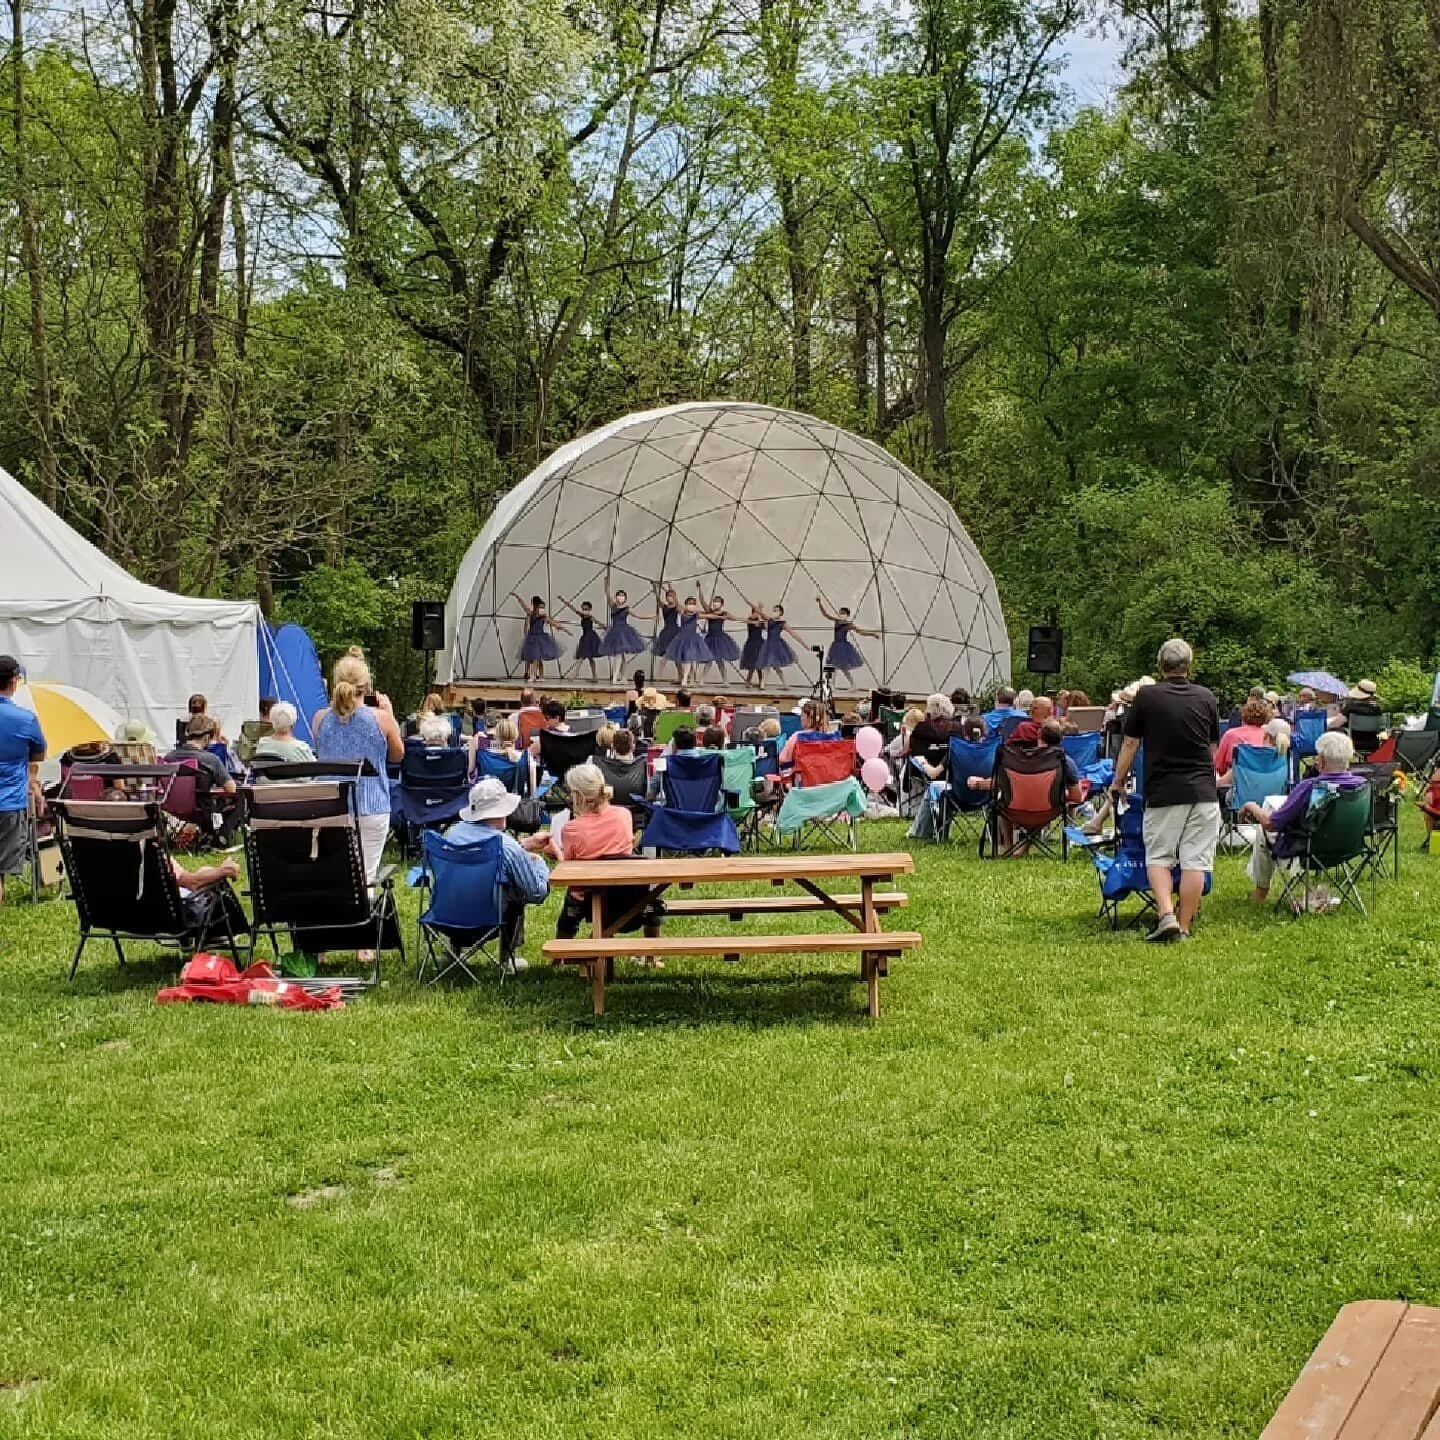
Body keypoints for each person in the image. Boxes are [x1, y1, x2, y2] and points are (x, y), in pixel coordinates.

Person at [1109, 638, 1220, 943]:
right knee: (1196, 861)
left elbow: (1131, 742)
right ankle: (1184, 927)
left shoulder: (1147, 697)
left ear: (1160, 666)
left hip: (1164, 789)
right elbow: (1212, 746)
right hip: (1203, 791)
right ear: (1189, 665)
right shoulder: (1207, 697)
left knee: (1159, 856)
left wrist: (1118, 780)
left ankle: (1166, 915)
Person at [312, 647, 404, 885]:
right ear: (367, 686)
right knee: (365, 878)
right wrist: (390, 715)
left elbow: (323, 753)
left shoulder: (319, 719)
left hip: (329, 807)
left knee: (332, 876)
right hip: (370, 805)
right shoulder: (380, 718)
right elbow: (397, 756)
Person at [1239, 731, 1364, 902]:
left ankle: (1261, 892)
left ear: (1322, 760)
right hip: (1348, 847)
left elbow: (1271, 824)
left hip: (1310, 848)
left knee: (1262, 830)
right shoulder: (1361, 786)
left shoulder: (1310, 787)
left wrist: (1251, 806)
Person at [445, 777, 551, 973]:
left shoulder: (451, 835)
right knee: (517, 890)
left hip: (445, 920)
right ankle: (506, 958)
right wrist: (540, 866)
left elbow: (482, 850)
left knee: (460, 882)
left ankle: (452, 952)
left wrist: (524, 846)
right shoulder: (506, 847)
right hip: (488, 922)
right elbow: (536, 892)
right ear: (501, 811)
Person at [0, 655, 45, 906]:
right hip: (8, 804)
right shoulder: (25, 719)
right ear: (14, 681)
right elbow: (37, 755)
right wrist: (34, 783)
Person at [165, 715, 239, 838]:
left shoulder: (169, 758)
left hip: (172, 808)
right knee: (241, 798)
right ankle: (221, 837)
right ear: (206, 737)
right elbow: (232, 789)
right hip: (200, 809)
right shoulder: (210, 760)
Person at [815, 594, 878, 687]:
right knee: (833, 666)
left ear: (848, 615)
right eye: (840, 613)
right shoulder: (836, 621)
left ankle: (852, 685)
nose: (841, 614)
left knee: (843, 667)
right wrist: (820, 603)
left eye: (843, 613)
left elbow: (860, 632)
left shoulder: (848, 625)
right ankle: (833, 685)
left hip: (843, 647)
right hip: (835, 645)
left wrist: (872, 634)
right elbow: (825, 614)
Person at [600, 573, 651, 683]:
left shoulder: (627, 608)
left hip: (624, 632)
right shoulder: (613, 606)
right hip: (614, 631)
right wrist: (606, 584)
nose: (620, 597)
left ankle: (615, 677)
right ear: (616, 597)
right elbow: (607, 594)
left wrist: (651, 617)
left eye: (622, 596)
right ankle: (624, 677)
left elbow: (638, 615)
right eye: (619, 595)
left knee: (619, 655)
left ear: (625, 598)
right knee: (621, 655)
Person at [511, 593, 568, 682]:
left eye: (543, 607)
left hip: (540, 638)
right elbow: (523, 606)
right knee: (534, 658)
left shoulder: (544, 617)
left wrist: (561, 628)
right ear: (535, 607)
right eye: (540, 607)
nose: (541, 609)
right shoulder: (531, 614)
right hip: (532, 638)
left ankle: (539, 676)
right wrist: (517, 596)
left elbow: (553, 623)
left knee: (538, 658)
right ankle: (533, 675)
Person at [1213, 697, 1272, 776]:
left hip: (1237, 783)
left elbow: (1219, 766)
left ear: (1243, 716)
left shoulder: (1231, 734)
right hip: (1264, 781)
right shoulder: (1268, 735)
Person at [665, 595, 715, 687]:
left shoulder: (696, 615)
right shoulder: (683, 612)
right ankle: (686, 679)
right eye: (689, 604)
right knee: (688, 659)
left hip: (693, 639)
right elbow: (677, 603)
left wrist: (719, 616)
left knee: (690, 658)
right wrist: (671, 591)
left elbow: (710, 615)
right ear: (686, 604)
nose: (691, 605)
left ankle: (687, 679)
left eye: (693, 604)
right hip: (682, 638)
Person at [697, 589, 743, 680]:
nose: (715, 603)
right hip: (710, 638)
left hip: (720, 639)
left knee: (720, 661)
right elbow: (702, 601)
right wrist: (699, 589)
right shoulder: (709, 611)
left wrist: (749, 621)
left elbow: (736, 618)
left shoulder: (724, 613)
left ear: (721, 604)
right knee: (708, 660)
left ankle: (725, 681)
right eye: (714, 601)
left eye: (717, 602)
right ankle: (701, 680)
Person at [557, 596, 605, 681]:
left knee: (583, 657)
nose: (584, 610)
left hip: (591, 638)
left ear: (590, 609)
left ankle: (575, 674)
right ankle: (594, 676)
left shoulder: (590, 617)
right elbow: (572, 608)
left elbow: (599, 623)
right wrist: (563, 600)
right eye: (583, 608)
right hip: (585, 637)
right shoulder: (582, 616)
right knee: (588, 658)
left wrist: (605, 627)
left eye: (586, 609)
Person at [251, 701, 316, 764]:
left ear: (272, 721)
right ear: (293, 723)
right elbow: (316, 770)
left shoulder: (259, 745)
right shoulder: (301, 748)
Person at [755, 602, 802, 687]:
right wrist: (760, 609)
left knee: (770, 665)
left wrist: (804, 644)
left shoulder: (782, 623)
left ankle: (763, 684)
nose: (774, 612)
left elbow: (793, 633)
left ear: (781, 613)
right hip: (768, 644)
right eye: (773, 611)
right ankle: (783, 685)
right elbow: (761, 615)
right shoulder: (769, 620)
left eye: (776, 611)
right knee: (773, 666)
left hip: (777, 645)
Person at [779, 699, 834, 766]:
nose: (801, 718)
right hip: (828, 775)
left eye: (802, 715)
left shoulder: (798, 736)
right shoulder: (833, 738)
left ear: (809, 718)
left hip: (803, 775)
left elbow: (782, 760)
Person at [906, 694, 956, 764]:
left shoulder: (920, 729)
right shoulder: (956, 729)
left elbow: (911, 752)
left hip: (921, 771)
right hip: (949, 772)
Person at [652, 582, 683, 683]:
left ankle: (681, 677)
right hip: (666, 632)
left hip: (675, 632)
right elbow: (658, 599)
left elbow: (678, 605)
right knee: (665, 655)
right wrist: (655, 589)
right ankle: (658, 676)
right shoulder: (664, 606)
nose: (669, 598)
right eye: (668, 596)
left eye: (671, 596)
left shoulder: (676, 607)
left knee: (677, 658)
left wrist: (671, 589)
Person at [739, 601, 767, 687]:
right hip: (751, 643)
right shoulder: (750, 619)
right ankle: (748, 681)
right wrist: (759, 610)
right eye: (756, 611)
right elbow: (755, 623)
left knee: (759, 664)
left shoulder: (760, 620)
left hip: (759, 643)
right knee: (752, 664)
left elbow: (765, 626)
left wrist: (761, 616)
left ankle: (761, 682)